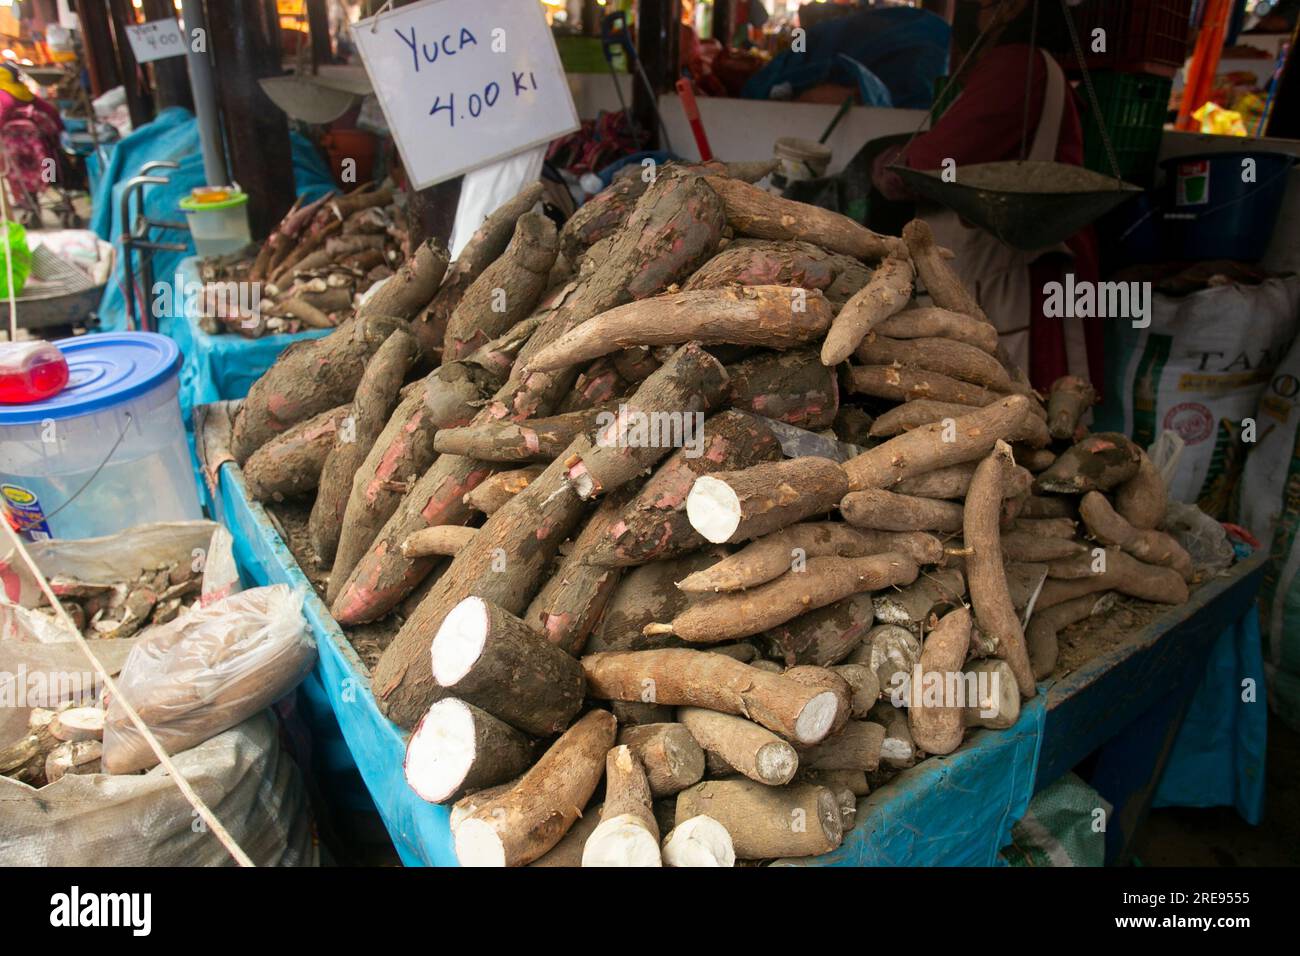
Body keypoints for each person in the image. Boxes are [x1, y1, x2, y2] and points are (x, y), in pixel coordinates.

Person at [873, 0, 1101, 392]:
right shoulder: (1028, 65)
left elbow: (936, 161)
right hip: (1017, 267)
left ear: (1010, 8)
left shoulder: (1017, 64)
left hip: (1017, 271)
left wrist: (894, 166)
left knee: (1015, 400)